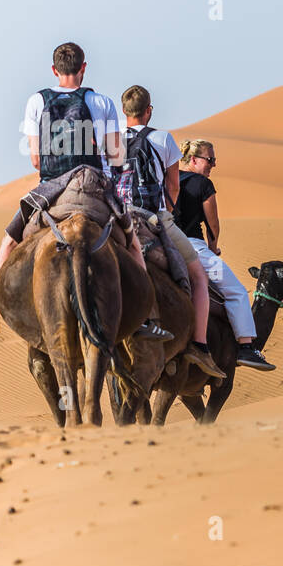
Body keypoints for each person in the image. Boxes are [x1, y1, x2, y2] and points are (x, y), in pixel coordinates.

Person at [0, 42, 170, 343]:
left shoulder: (36, 102)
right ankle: (146, 319)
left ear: (54, 71)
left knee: (7, 244)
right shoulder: (103, 102)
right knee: (134, 244)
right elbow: (116, 156)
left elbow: (35, 159)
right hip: (96, 185)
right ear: (83, 68)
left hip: (52, 189)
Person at [112, 87, 226, 379]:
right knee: (199, 277)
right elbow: (173, 186)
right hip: (152, 218)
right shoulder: (163, 139)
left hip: (115, 219)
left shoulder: (109, 141)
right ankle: (199, 345)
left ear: (124, 112)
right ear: (149, 110)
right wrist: (168, 210)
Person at [173, 138, 275, 370]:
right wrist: (213, 246)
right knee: (236, 291)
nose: (213, 165)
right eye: (210, 160)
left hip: (164, 243)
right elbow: (214, 224)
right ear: (195, 160)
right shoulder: (202, 184)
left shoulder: (169, 178)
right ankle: (247, 347)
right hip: (194, 249)